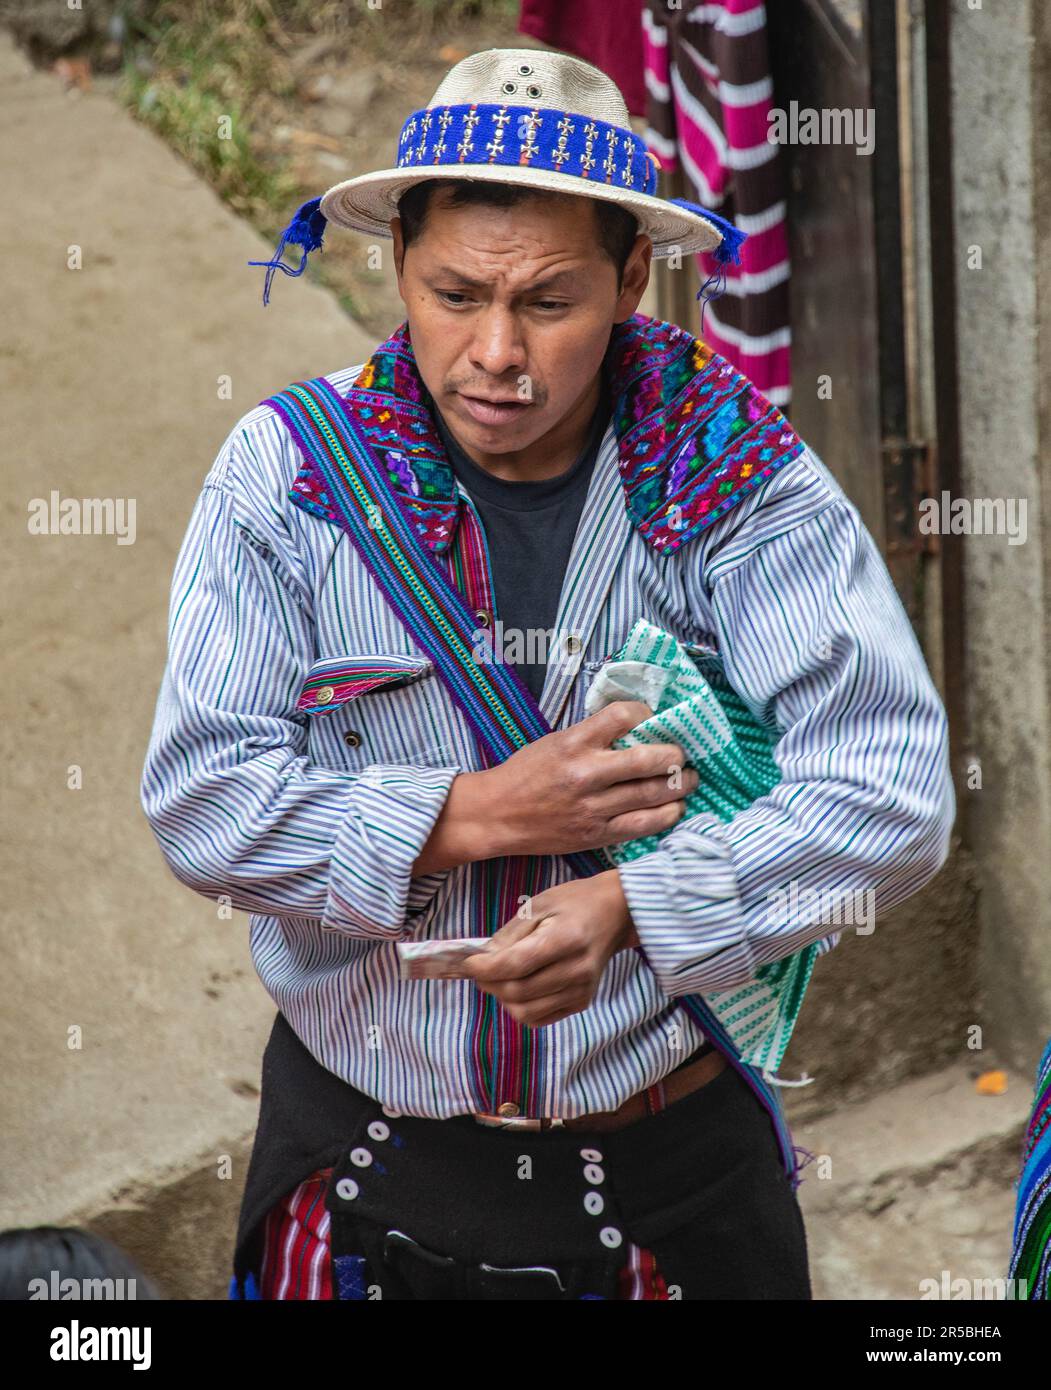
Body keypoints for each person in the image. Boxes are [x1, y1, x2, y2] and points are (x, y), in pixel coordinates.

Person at [141, 47, 955, 1300]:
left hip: (665, 1176)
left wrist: (637, 906)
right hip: (360, 1152)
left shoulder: (729, 472)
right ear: (398, 263)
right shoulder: (285, 481)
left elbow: (895, 791)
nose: (496, 354)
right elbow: (201, 800)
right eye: (455, 294)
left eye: (549, 302)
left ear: (632, 276)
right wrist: (474, 815)